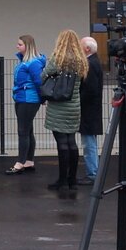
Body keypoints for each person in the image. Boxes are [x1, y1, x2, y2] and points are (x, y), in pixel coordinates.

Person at [40, 30, 87, 195]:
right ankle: (72, 179)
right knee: (71, 141)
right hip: (74, 105)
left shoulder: (57, 59)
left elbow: (44, 75)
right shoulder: (81, 61)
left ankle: (62, 180)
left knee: (61, 142)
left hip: (58, 105)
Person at [9, 33, 44, 174]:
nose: (17, 46)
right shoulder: (26, 61)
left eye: (20, 44)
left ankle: (20, 162)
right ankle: (28, 161)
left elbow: (38, 82)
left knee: (23, 131)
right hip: (23, 98)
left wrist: (42, 98)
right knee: (28, 130)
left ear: (27, 46)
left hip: (28, 99)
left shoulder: (33, 63)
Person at [79, 35, 105, 185]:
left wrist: (78, 101)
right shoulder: (94, 62)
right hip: (92, 109)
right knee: (90, 142)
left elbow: (90, 90)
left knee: (89, 143)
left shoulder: (90, 64)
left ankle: (93, 174)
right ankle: (93, 172)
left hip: (89, 110)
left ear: (87, 49)